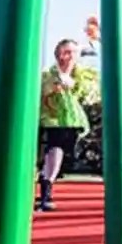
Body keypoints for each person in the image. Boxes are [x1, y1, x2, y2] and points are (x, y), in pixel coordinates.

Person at [35, 39, 98, 211]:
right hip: (52, 121)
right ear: (59, 54)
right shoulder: (49, 74)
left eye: (73, 53)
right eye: (66, 52)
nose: (70, 57)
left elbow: (85, 90)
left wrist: (72, 82)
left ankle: (47, 183)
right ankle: (45, 193)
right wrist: (56, 85)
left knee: (62, 157)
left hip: (72, 123)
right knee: (53, 153)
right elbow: (45, 90)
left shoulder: (81, 74)